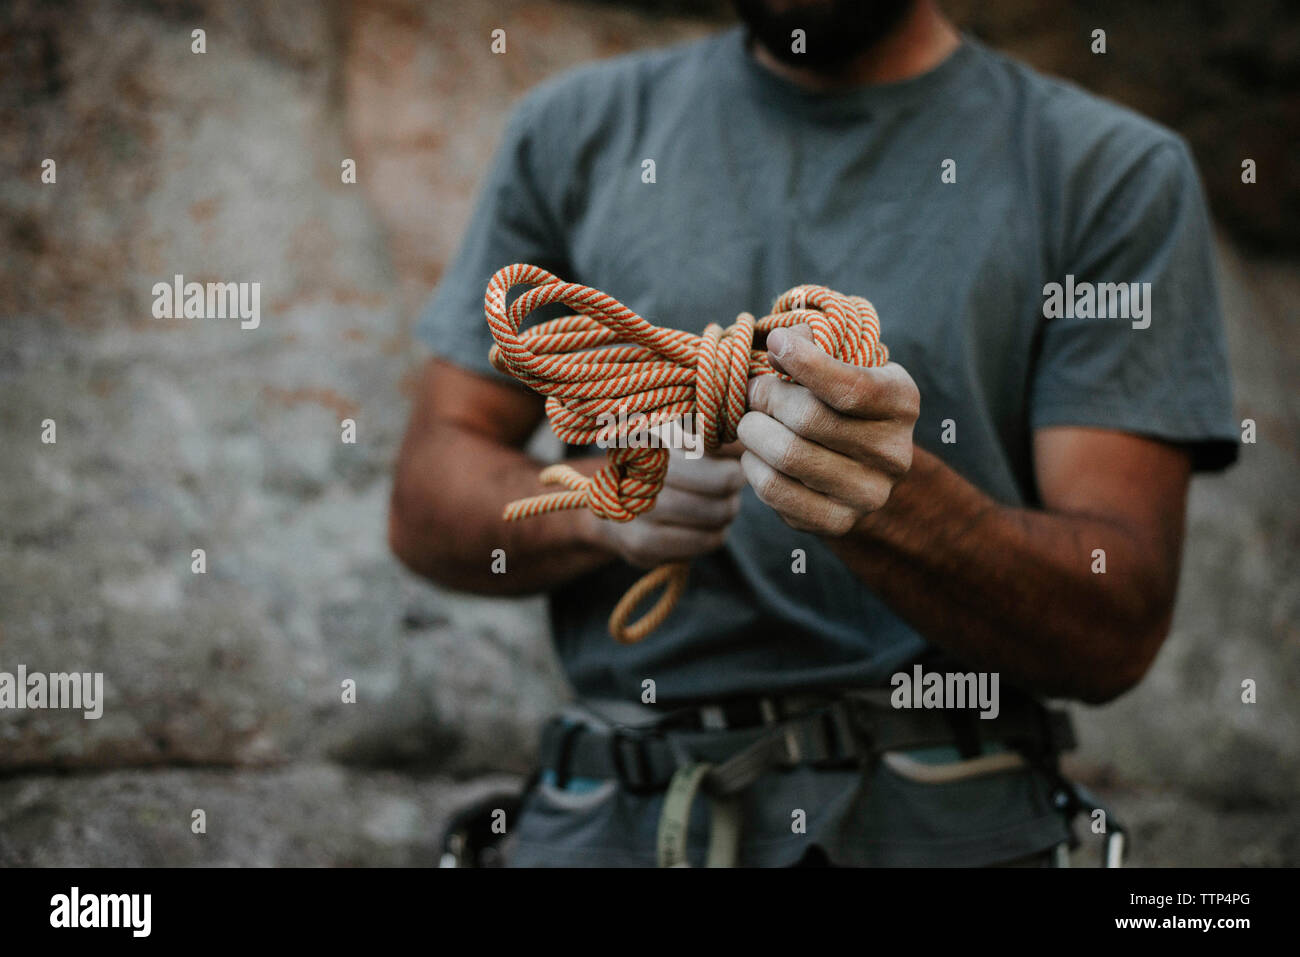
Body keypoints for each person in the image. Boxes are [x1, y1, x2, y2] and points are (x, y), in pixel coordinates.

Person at [389, 0, 1237, 866]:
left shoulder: (1109, 173)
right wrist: (602, 506)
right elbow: (425, 500)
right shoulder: (574, 132)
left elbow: (1116, 624)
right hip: (612, 821)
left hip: (944, 826)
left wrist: (889, 500)